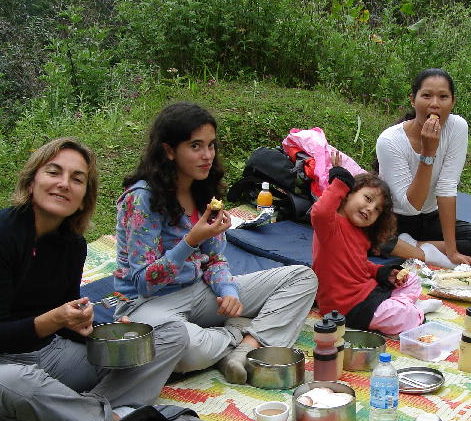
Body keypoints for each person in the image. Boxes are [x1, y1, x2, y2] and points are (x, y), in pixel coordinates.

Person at [0, 138, 189, 421]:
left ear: (84, 197)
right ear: (32, 181)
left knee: (168, 335)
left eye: (77, 179)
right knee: (21, 382)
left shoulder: (72, 245)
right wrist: (56, 319)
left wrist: (98, 331)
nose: (64, 184)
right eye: (54, 172)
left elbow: (65, 318)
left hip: (50, 355)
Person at [114, 102, 318, 384]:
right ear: (169, 150)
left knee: (303, 278)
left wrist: (228, 290)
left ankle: (246, 349)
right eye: (195, 146)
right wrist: (191, 240)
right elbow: (143, 282)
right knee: (180, 347)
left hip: (198, 291)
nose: (207, 156)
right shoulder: (142, 199)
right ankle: (234, 336)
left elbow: (214, 259)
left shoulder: (203, 190)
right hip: (150, 303)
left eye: (211, 146)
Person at [375, 68, 471, 270]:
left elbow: (447, 187)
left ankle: (414, 247)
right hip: (397, 220)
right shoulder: (390, 140)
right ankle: (401, 245)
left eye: (443, 97)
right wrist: (428, 153)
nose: (435, 104)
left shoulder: (457, 127)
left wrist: (452, 250)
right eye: (427, 96)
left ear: (452, 101)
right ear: (413, 100)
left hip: (430, 218)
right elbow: (411, 207)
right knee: (375, 239)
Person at [311, 165, 442, 334]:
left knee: (411, 279)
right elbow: (319, 213)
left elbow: (358, 264)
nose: (371, 208)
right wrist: (339, 183)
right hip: (347, 307)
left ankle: (400, 304)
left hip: (368, 293)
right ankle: (414, 310)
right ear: (348, 194)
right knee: (400, 316)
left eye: (378, 209)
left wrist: (382, 272)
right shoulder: (330, 225)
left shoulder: (361, 235)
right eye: (368, 198)